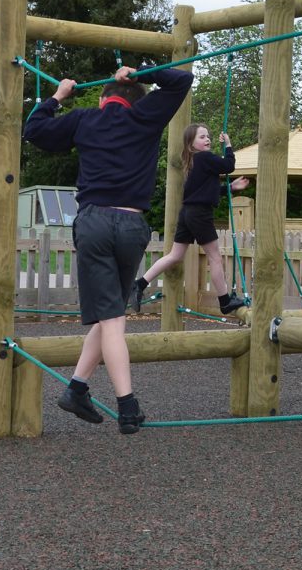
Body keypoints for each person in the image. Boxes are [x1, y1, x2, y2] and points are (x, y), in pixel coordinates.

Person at [23, 64, 193, 434]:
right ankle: (83, 391)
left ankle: (119, 403)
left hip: (95, 221)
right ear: (135, 99)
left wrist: (57, 96)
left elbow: (33, 130)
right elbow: (182, 79)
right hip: (132, 225)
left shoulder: (85, 119)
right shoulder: (146, 116)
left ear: (103, 99)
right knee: (112, 314)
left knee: (110, 317)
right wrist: (142, 73)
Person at [132, 122, 250, 315]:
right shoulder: (205, 157)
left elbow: (205, 191)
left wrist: (230, 188)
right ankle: (225, 301)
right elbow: (229, 165)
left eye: (208, 136)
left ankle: (140, 283)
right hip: (200, 214)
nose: (208, 139)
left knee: (175, 255)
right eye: (202, 137)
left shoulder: (195, 162)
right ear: (190, 145)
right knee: (215, 258)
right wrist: (228, 144)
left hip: (187, 213)